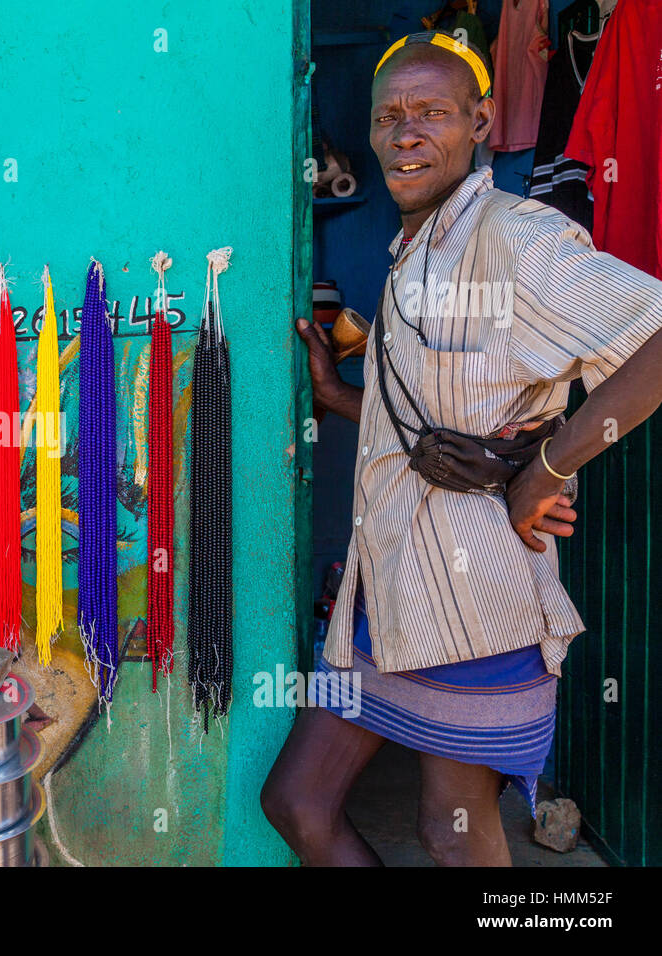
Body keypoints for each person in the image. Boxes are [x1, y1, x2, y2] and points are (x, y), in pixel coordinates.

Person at [263, 31, 662, 866]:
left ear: (482, 122)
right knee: (298, 802)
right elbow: (454, 409)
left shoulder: (517, 238)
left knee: (453, 840)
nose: (406, 133)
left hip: (473, 605)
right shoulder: (415, 249)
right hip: (381, 597)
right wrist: (344, 399)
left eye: (432, 113)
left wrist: (548, 468)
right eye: (389, 117)